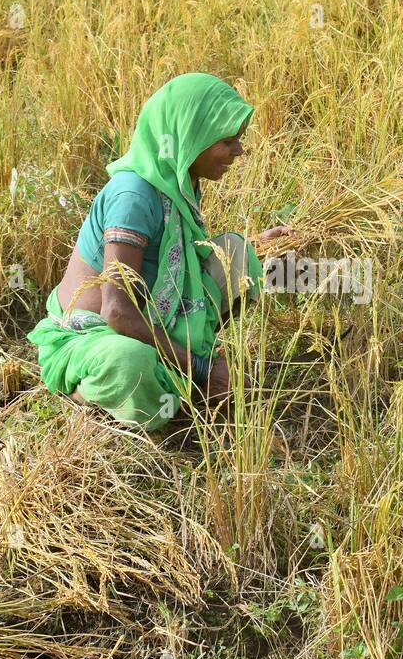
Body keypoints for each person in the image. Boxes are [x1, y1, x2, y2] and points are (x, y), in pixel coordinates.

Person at [27, 73, 292, 430]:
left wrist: (257, 245)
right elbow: (117, 312)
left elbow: (179, 252)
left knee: (239, 255)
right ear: (188, 138)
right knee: (131, 366)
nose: (239, 151)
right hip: (97, 333)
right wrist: (200, 369)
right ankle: (88, 391)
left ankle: (185, 360)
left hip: (150, 311)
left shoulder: (178, 179)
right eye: (227, 141)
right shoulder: (133, 196)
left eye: (238, 140)